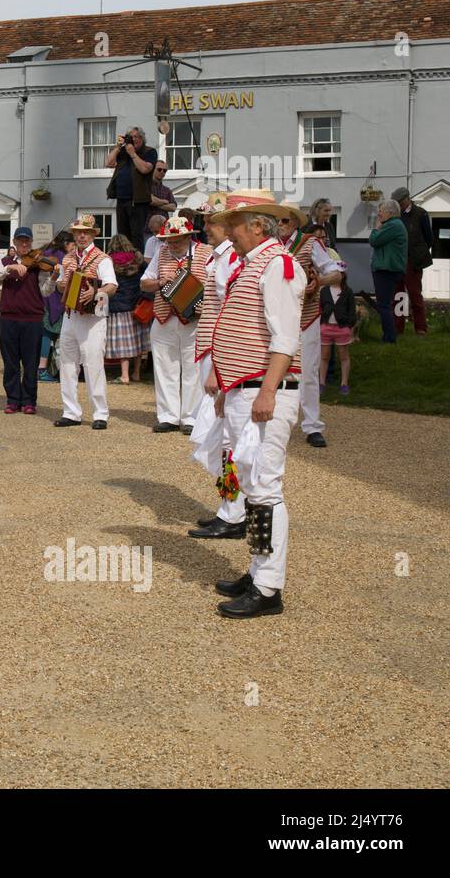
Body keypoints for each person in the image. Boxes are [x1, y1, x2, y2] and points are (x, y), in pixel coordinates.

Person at [204, 190, 306, 619]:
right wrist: (229, 385)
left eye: (236, 222)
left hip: (265, 393)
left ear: (257, 226)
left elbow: (285, 337)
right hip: (247, 389)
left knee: (264, 488)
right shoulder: (254, 264)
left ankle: (268, 587)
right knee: (250, 484)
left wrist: (267, 390)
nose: (229, 229)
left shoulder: (278, 265)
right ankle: (258, 570)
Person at [188, 200, 248, 541]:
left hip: (220, 353)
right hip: (210, 349)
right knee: (223, 435)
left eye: (210, 221)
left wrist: (221, 365)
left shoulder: (230, 259)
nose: (205, 226)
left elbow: (231, 314)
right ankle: (229, 507)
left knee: (228, 435)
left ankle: (234, 512)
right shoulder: (217, 257)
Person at [141, 215, 212, 433]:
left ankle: (191, 418)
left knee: (193, 369)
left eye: (177, 241)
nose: (172, 245)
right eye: (169, 241)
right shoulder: (161, 253)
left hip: (194, 320)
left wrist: (205, 304)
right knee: (164, 367)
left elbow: (218, 286)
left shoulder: (207, 253)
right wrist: (161, 281)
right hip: (164, 317)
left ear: (189, 237)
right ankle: (168, 416)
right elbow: (144, 283)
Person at [279, 210, 341, 448]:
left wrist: (318, 283)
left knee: (308, 371)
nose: (280, 224)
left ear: (296, 222)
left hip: (305, 316)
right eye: (277, 221)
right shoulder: (270, 244)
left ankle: (312, 425)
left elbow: (336, 272)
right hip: (277, 316)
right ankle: (276, 420)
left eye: (284, 220)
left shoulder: (310, 243)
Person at [54, 214, 118, 429]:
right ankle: (70, 411)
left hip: (93, 317)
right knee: (67, 363)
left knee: (93, 364)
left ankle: (100, 413)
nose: (82, 235)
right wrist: (62, 285)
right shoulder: (68, 258)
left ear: (93, 235)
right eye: (78, 232)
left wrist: (96, 291)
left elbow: (112, 285)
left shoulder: (103, 258)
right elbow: (61, 284)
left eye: (86, 232)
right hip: (70, 315)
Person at [0, 227, 46, 413]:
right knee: (10, 362)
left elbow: (46, 291)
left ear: (31, 243)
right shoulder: (5, 262)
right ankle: (12, 399)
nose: (24, 244)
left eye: (27, 241)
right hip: (9, 318)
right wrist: (9, 268)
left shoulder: (38, 265)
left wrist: (53, 276)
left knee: (30, 363)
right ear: (15, 243)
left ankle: (29, 401)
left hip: (32, 318)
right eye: (20, 241)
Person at [103, 234, 147, 385]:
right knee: (137, 340)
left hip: (117, 305)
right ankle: (136, 373)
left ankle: (124, 375)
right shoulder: (138, 260)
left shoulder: (109, 261)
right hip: (136, 305)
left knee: (123, 343)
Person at [105, 127, 157, 249]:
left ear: (142, 139)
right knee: (123, 235)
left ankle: (138, 265)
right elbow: (109, 163)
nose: (134, 140)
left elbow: (145, 169)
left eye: (136, 137)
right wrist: (118, 147)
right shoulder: (123, 152)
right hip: (121, 198)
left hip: (137, 201)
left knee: (136, 235)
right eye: (131, 137)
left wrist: (133, 154)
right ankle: (124, 261)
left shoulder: (149, 152)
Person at [393, 188, 433, 336]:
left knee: (415, 295)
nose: (399, 205)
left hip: (413, 261)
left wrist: (417, 254)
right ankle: (398, 328)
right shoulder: (396, 215)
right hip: (398, 260)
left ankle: (421, 328)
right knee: (398, 295)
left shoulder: (421, 213)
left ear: (407, 199)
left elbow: (429, 238)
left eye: (400, 202)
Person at [369, 199, 408, 345]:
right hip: (389, 269)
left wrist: (376, 228)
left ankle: (390, 338)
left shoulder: (392, 225)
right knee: (385, 304)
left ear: (390, 212)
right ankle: (389, 335)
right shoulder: (395, 225)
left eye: (381, 210)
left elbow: (374, 240)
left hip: (386, 269)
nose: (379, 213)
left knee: (383, 305)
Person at [37, 232, 71, 382]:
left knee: (46, 335)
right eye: (72, 244)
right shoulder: (63, 257)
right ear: (66, 243)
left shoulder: (46, 253)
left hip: (42, 299)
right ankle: (43, 368)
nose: (73, 247)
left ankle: (43, 367)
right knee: (50, 335)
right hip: (54, 300)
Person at [319, 269, 357, 395]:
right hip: (325, 328)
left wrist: (349, 327)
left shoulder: (348, 291)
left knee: (344, 356)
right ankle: (321, 382)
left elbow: (351, 311)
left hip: (342, 329)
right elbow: (319, 308)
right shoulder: (324, 291)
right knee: (324, 356)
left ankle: (344, 383)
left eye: (340, 273)